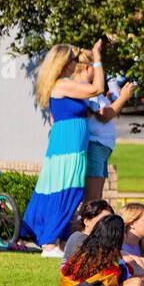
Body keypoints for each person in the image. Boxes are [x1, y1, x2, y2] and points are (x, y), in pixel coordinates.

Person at [22, 42, 105, 257]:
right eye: (74, 60)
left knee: (69, 191)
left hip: (72, 146)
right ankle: (49, 242)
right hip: (67, 148)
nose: (77, 64)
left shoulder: (65, 85)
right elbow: (97, 88)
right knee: (64, 190)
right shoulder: (62, 85)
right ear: (64, 63)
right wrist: (96, 57)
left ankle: (57, 240)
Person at [83, 74, 136, 203]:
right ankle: (85, 222)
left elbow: (106, 112)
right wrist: (123, 97)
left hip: (101, 148)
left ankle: (91, 221)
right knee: (93, 199)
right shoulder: (87, 90)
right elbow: (104, 115)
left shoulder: (96, 92)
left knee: (96, 197)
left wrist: (110, 100)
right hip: (94, 146)